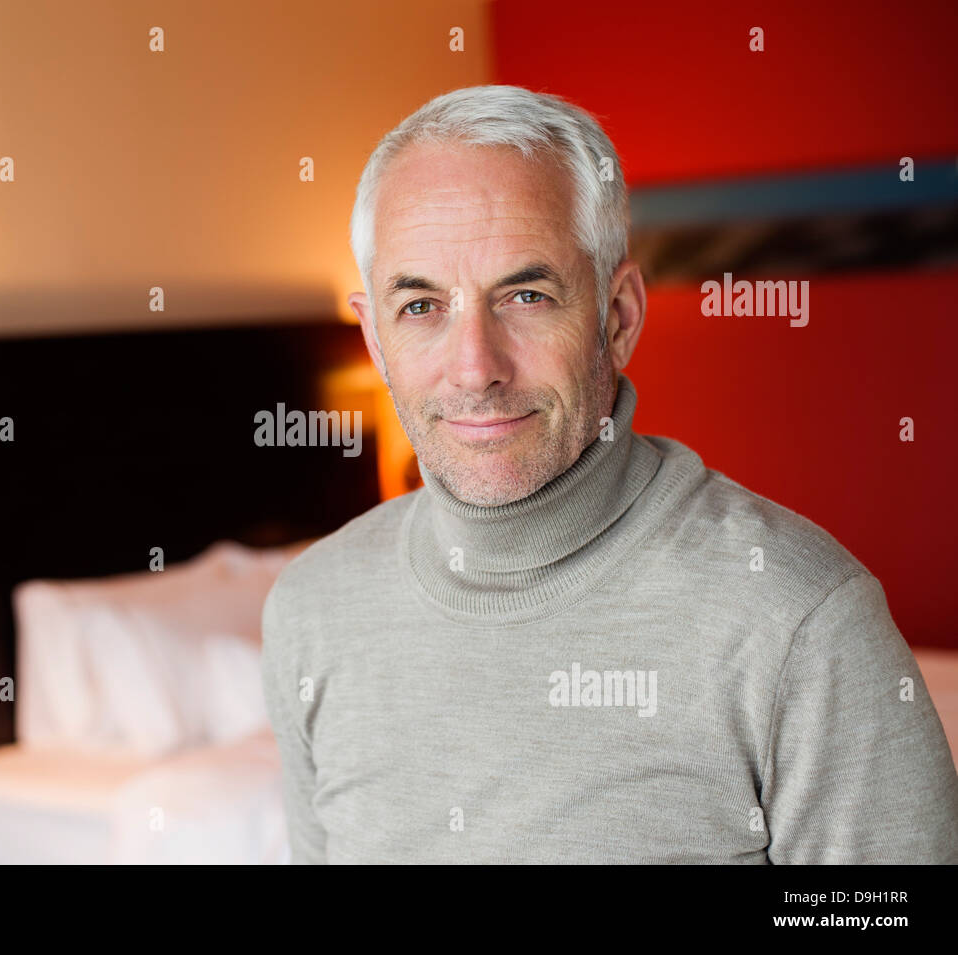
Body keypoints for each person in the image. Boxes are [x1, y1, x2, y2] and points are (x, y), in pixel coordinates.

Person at [260, 84, 958, 864]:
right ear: (377, 340)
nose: (475, 367)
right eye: (422, 307)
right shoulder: (310, 610)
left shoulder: (803, 622)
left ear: (618, 315)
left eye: (526, 294)